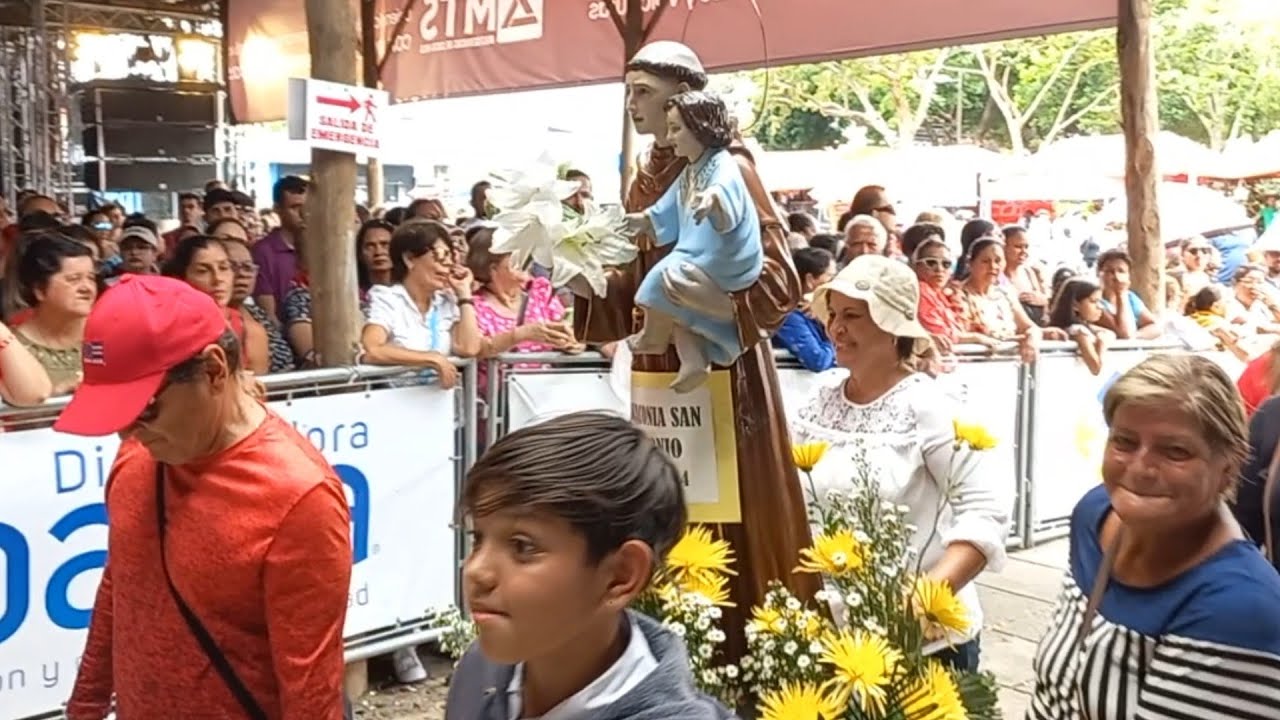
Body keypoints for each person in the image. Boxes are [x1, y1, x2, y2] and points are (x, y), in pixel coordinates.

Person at [569, 39, 817, 663]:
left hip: (725, 371)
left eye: (644, 92)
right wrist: (582, 270)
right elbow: (625, 281)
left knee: (733, 515)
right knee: (664, 501)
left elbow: (780, 282)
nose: (633, 104)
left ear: (684, 101)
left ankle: (749, 652)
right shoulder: (645, 176)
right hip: (657, 374)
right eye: (628, 91)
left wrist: (705, 299)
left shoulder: (732, 167)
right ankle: (668, 646)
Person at [59, 274, 352, 719]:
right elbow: (122, 583)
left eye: (145, 408)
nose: (126, 430)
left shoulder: (299, 498)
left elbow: (311, 690)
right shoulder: (139, 452)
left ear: (214, 369)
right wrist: (85, 708)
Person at [1028, 354, 1280, 718]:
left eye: (1175, 451)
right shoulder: (1095, 516)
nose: (1141, 467)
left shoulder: (1241, 608)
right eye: (1125, 441)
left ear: (1228, 467)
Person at [793, 254, 1012, 671]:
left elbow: (986, 510)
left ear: (893, 327)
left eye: (853, 315)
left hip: (925, 644)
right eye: (834, 314)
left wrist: (919, 604)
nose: (836, 328)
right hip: (833, 641)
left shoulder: (932, 404)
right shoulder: (818, 397)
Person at [445, 412, 734, 720]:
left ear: (621, 576)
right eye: (478, 538)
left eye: (522, 546)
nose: (476, 571)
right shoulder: (481, 670)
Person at [623, 90, 763, 392]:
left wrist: (713, 201)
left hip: (726, 256)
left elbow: (724, 190)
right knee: (678, 307)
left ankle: (654, 337)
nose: (669, 136)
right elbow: (668, 208)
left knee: (664, 276)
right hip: (698, 251)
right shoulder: (690, 170)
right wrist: (646, 220)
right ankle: (694, 361)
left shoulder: (726, 164)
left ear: (700, 128)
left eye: (676, 128)